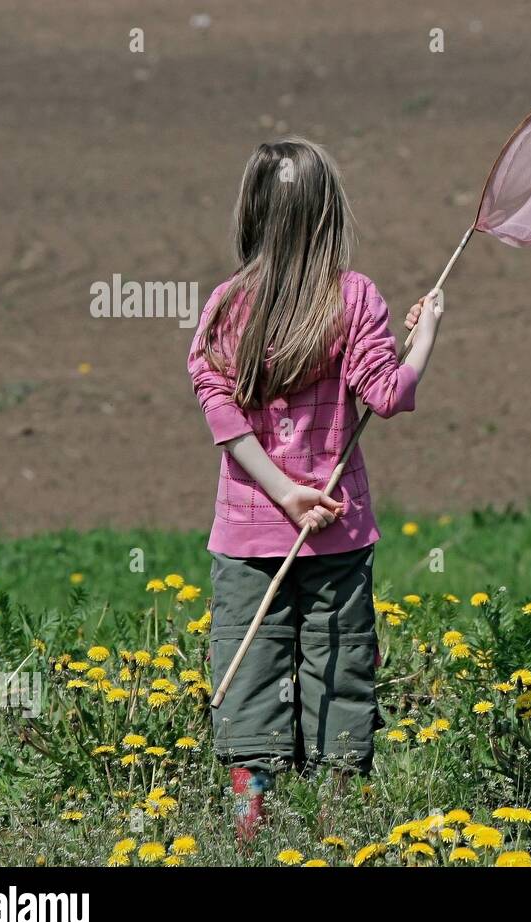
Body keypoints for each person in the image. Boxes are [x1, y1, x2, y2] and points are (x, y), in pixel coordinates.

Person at [187, 137, 443, 841]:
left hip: (247, 537)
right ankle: (336, 826)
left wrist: (277, 491)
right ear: (330, 212)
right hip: (336, 530)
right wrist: (426, 336)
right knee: (340, 668)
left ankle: (249, 826)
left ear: (254, 210)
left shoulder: (224, 306)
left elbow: (219, 409)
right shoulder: (355, 298)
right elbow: (387, 395)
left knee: (248, 667)